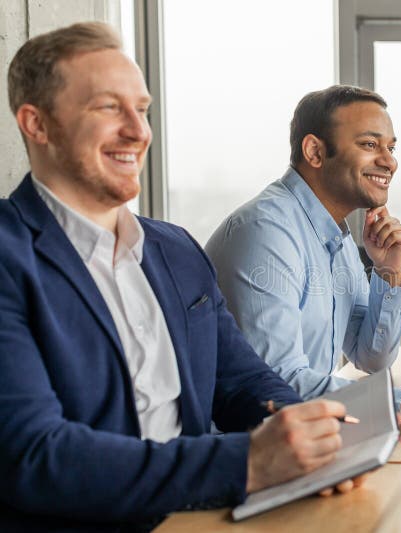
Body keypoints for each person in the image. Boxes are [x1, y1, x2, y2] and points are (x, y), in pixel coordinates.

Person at [0, 22, 357, 530]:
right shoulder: (8, 256)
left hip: (199, 513)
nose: (138, 131)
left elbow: (239, 381)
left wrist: (308, 436)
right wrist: (249, 462)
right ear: (37, 124)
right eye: (109, 108)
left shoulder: (175, 248)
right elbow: (35, 455)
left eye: (142, 110)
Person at [206, 85, 401, 428]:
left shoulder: (336, 237)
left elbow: (372, 358)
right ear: (315, 151)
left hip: (307, 431)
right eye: (369, 145)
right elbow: (277, 385)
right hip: (251, 444)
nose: (389, 161)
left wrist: (388, 272)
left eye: (390, 148)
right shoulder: (266, 232)